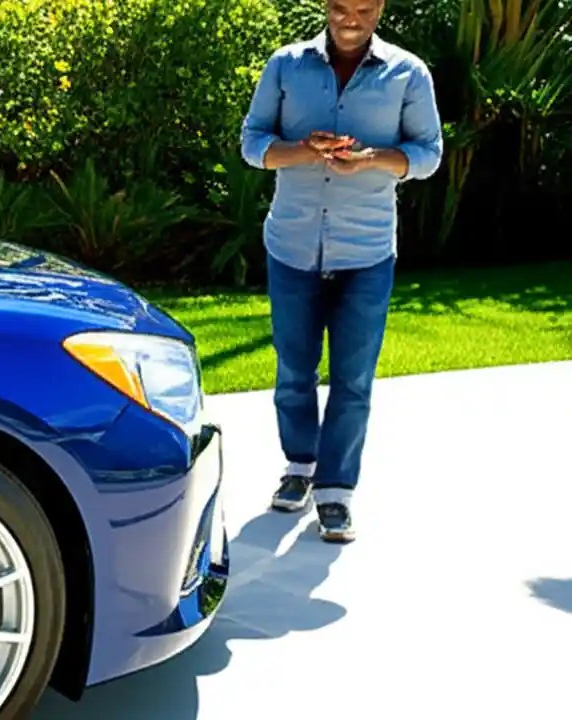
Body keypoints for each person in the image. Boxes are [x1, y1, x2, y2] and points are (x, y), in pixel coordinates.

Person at [239, 0, 443, 543]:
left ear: (379, 8)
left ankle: (336, 492)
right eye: (340, 6)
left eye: (365, 8)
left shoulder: (407, 72)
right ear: (325, 6)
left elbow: (428, 154)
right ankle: (300, 468)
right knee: (294, 371)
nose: (352, 18)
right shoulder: (285, 64)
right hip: (292, 244)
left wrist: (375, 158)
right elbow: (253, 142)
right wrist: (302, 151)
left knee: (353, 380)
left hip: (367, 253)